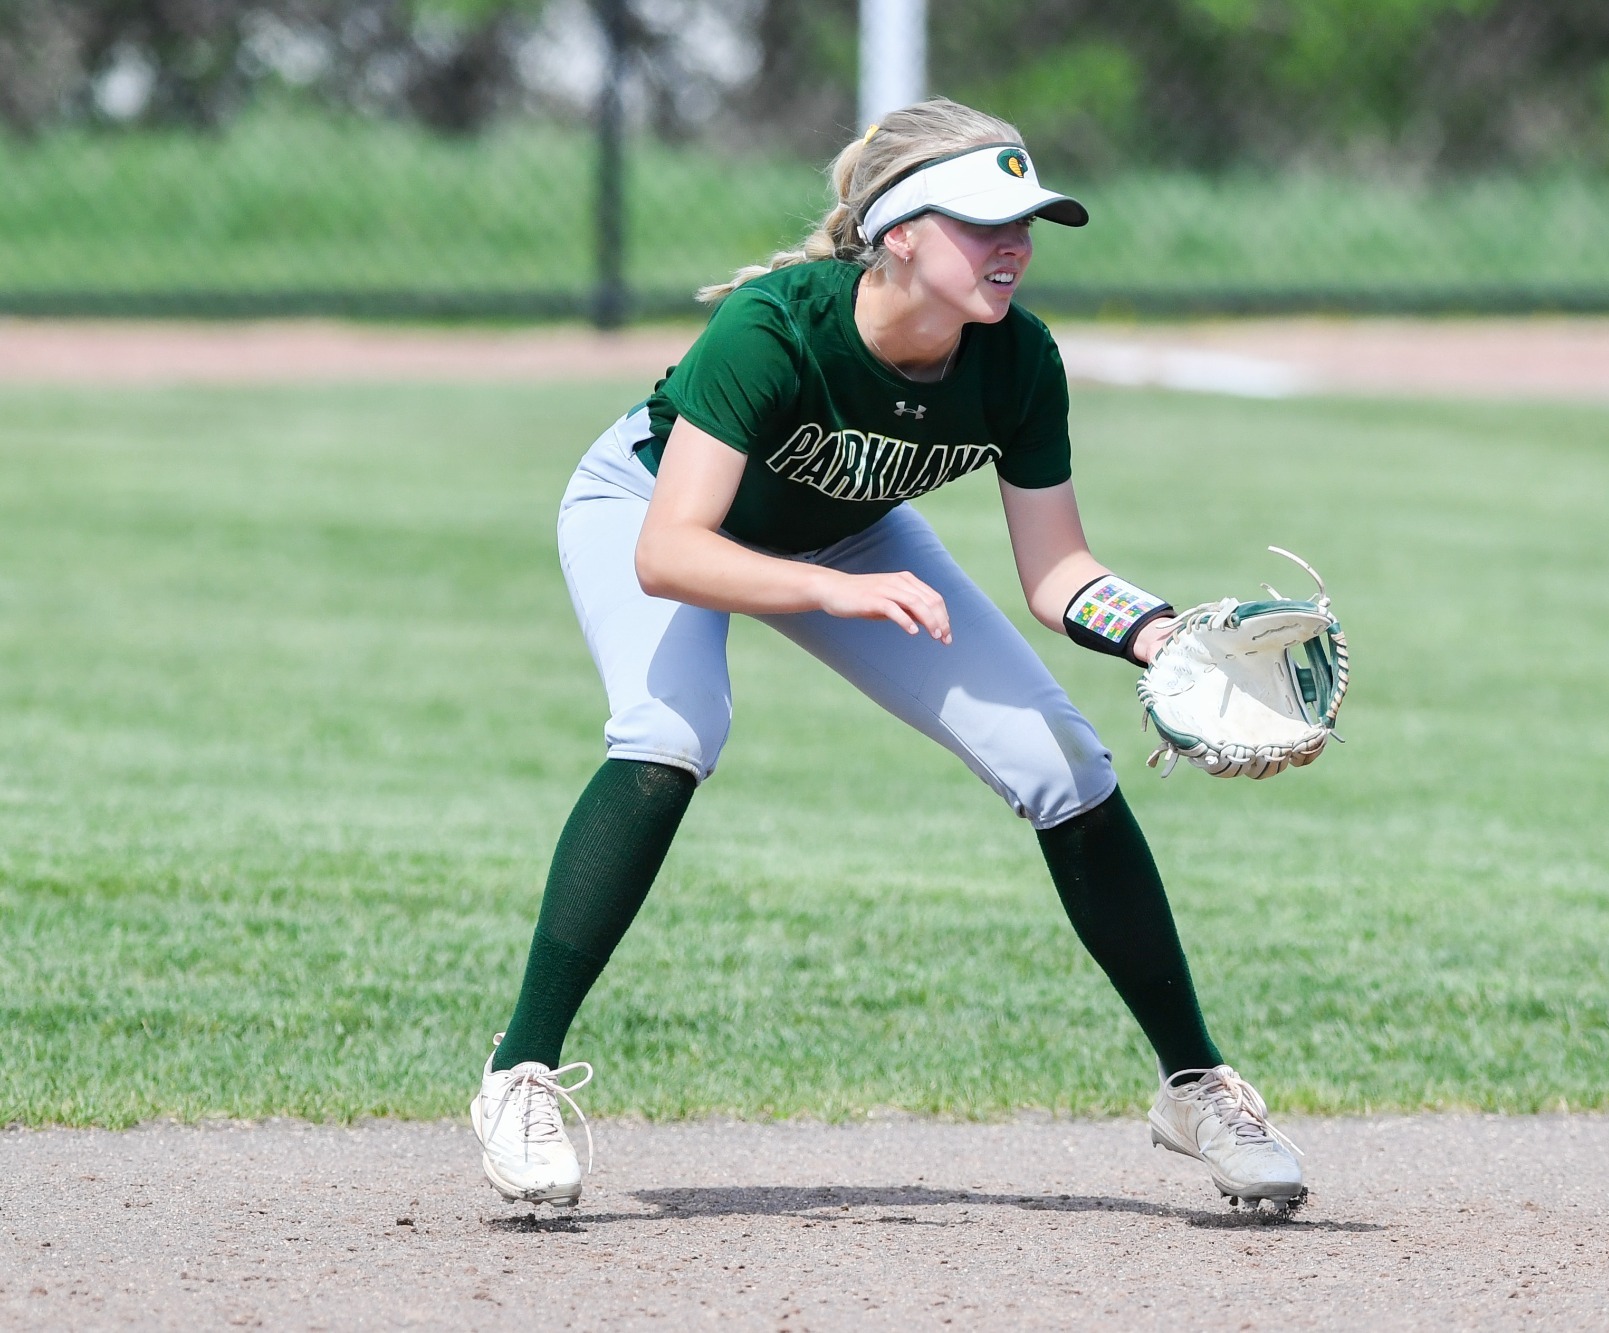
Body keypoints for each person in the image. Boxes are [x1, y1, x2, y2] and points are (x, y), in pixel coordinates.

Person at [469, 98, 1305, 1213]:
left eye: (1028, 223)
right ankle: (518, 1070)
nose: (1014, 245)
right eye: (984, 222)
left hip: (848, 535)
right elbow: (669, 553)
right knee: (673, 730)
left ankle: (1193, 1084)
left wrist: (1160, 639)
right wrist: (834, 589)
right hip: (651, 504)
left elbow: (1056, 573)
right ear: (899, 231)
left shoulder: (1016, 360)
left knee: (1060, 761)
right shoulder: (775, 329)